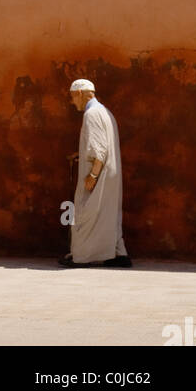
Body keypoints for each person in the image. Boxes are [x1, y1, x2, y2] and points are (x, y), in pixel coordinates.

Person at [58, 78, 132, 268]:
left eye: (73, 97)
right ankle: (117, 254)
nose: (72, 102)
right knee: (108, 214)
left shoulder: (91, 114)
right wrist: (81, 154)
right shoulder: (105, 112)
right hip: (110, 172)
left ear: (80, 93)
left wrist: (92, 175)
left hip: (99, 172)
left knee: (86, 212)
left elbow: (99, 149)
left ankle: (81, 257)